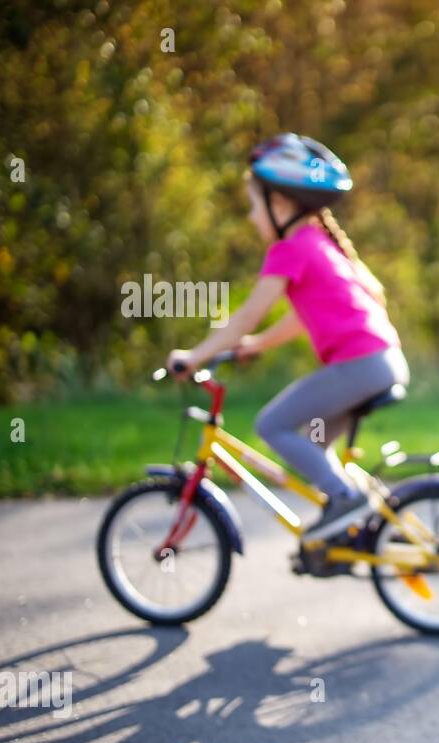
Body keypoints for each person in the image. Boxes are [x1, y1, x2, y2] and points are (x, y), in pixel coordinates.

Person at [167, 133, 408, 541]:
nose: (251, 217)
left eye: (254, 206)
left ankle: (348, 502)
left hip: (360, 366)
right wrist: (256, 345)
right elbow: (301, 318)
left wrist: (194, 355)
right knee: (316, 448)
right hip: (380, 363)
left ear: (280, 205)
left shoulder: (290, 249)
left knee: (273, 425)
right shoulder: (318, 244)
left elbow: (247, 315)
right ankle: (373, 526)